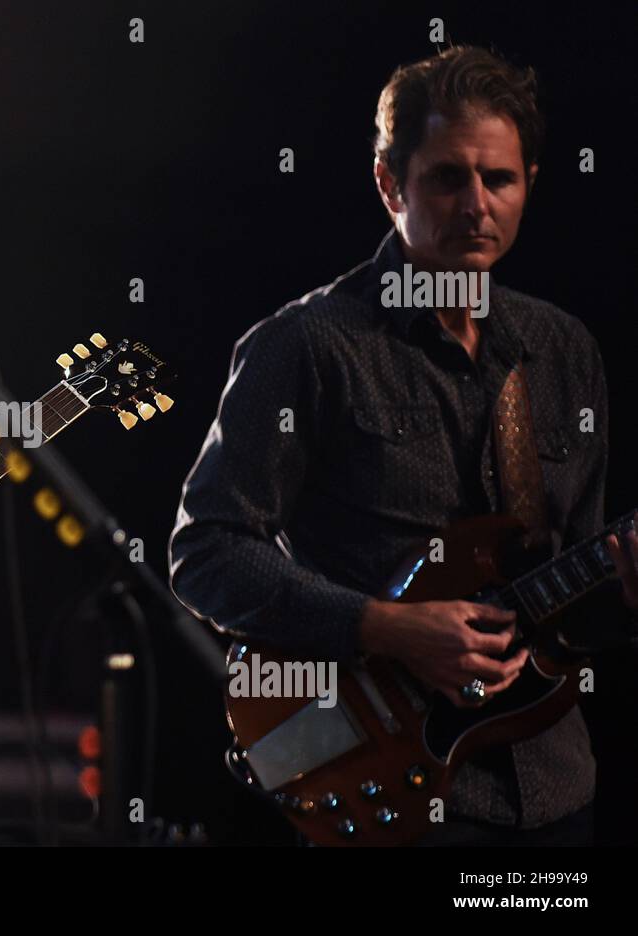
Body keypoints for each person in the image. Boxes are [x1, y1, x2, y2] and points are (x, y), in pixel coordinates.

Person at [169, 46, 638, 845]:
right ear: (391, 183)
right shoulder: (307, 345)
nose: (477, 206)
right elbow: (206, 552)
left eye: (501, 179)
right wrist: (384, 627)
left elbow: (573, 600)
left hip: (556, 789)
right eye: (448, 178)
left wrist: (623, 594)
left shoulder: (564, 351)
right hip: (390, 791)